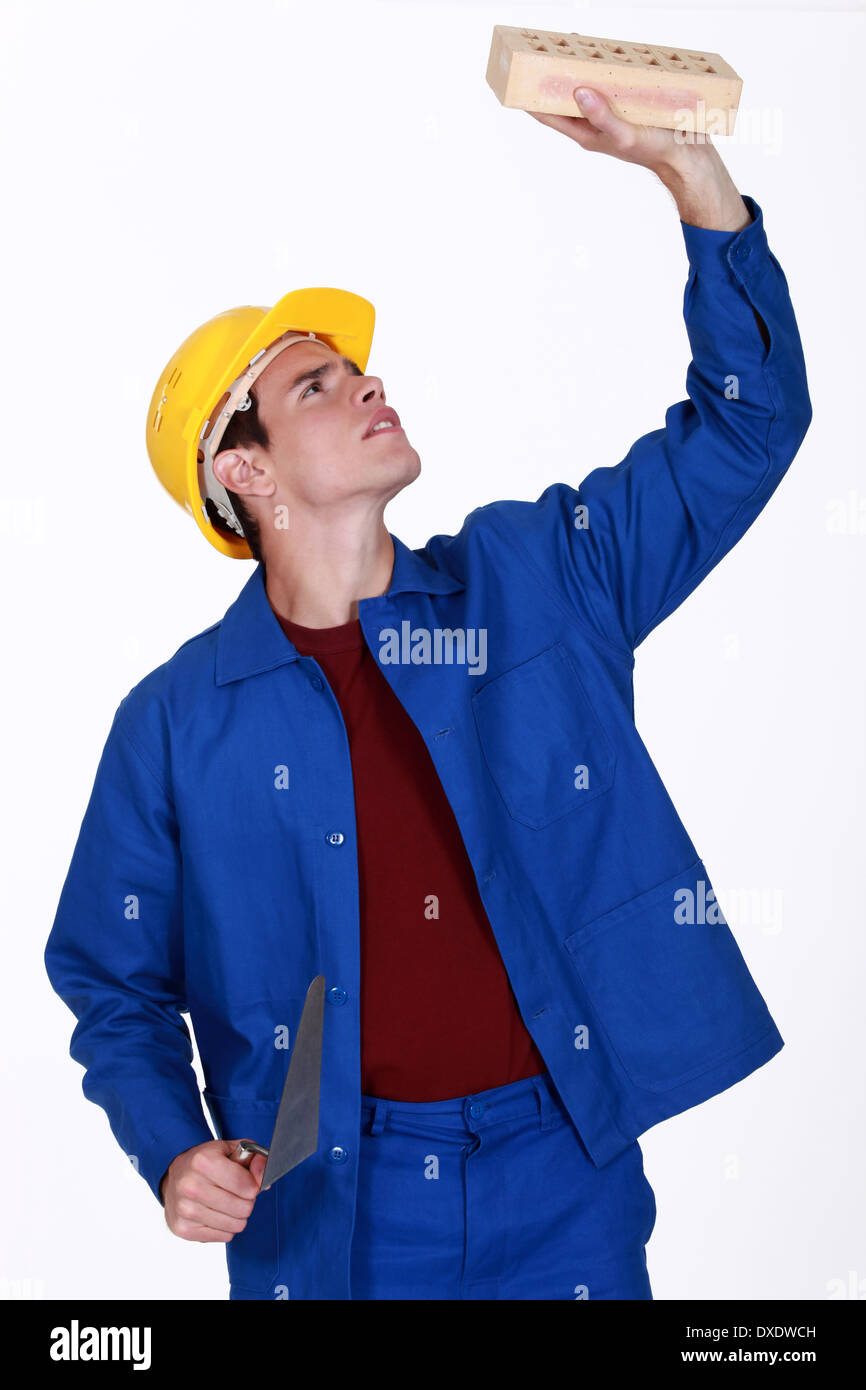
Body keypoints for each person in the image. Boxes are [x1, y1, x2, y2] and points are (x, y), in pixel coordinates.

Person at [45, 88, 811, 1300]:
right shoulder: (176, 722)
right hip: (332, 1214)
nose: (365, 386)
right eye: (314, 386)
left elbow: (747, 429)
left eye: (358, 369)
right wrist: (170, 1144)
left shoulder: (541, 580)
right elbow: (111, 976)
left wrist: (693, 181)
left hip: (561, 1179)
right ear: (243, 471)